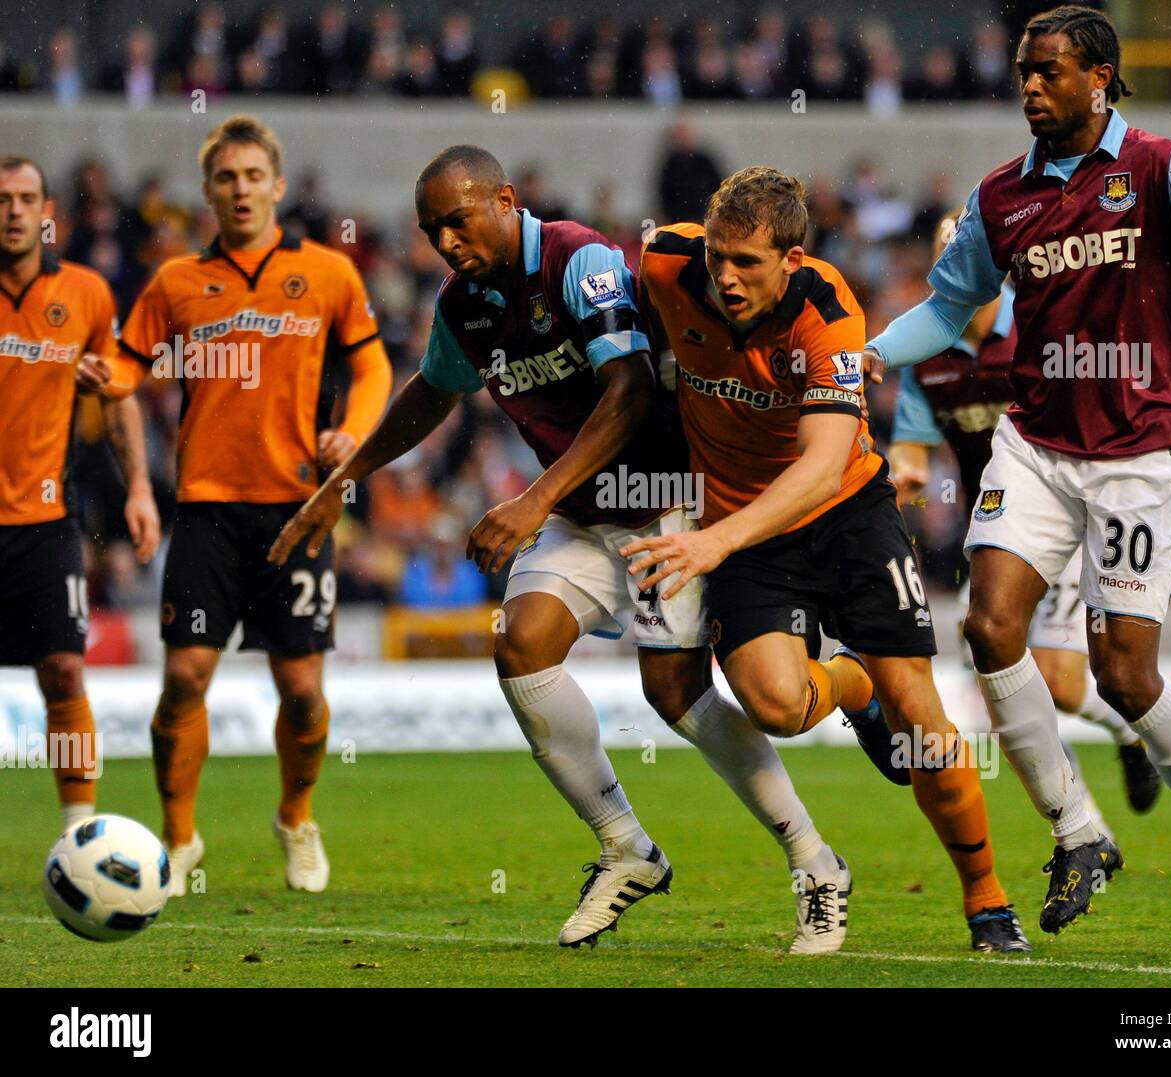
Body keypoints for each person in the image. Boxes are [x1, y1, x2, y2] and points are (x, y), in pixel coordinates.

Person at [270, 146, 855, 953]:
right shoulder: (463, 303)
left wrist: (530, 498)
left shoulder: (580, 260)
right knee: (522, 643)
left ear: (505, 201)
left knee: (676, 697)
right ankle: (626, 847)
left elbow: (632, 389)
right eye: (431, 228)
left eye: (458, 219)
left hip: (666, 500)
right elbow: (434, 392)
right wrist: (347, 478)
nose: (445, 240)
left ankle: (815, 862)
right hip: (582, 513)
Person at [863, 5, 1171, 945]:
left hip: (1145, 448)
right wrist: (873, 353)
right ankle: (1078, 829)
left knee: (1123, 674)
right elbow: (948, 313)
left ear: (1100, 76)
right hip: (1037, 442)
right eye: (1023, 70)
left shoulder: (1164, 168)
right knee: (987, 624)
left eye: (1049, 71)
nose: (1030, 85)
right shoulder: (998, 199)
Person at [634, 165, 1030, 953]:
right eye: (718, 256)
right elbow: (638, 272)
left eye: (748, 262)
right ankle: (854, 679)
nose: (726, 275)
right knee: (777, 707)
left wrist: (712, 539)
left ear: (792, 258)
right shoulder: (664, 265)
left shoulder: (829, 308)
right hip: (750, 528)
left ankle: (987, 901)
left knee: (920, 722)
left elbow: (820, 463)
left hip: (846, 513)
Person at [77, 116, 393, 896]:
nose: (241, 189)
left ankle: (296, 816)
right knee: (184, 676)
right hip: (208, 509)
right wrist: (100, 376)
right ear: (210, 191)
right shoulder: (176, 281)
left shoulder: (327, 274)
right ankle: (180, 839)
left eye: (254, 175)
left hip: (298, 508)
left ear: (277, 186)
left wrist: (351, 433)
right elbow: (125, 365)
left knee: (304, 690)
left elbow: (375, 366)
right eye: (226, 177)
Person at [885, 209, 1171, 833]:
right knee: (1021, 695)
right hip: (1001, 533)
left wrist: (1164, 473)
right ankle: (1091, 826)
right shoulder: (927, 358)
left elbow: (1116, 396)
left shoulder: (1034, 330)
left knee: (1052, 679)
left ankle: (1113, 773)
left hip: (1073, 517)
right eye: (947, 261)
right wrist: (899, 485)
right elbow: (912, 456)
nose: (957, 270)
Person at [0, 155, 160, 828]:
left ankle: (78, 832)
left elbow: (118, 392)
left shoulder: (88, 294)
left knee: (63, 670)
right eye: (1, 198)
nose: (12, 209)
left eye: (26, 197)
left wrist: (141, 489)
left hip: (47, 519)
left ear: (47, 215)